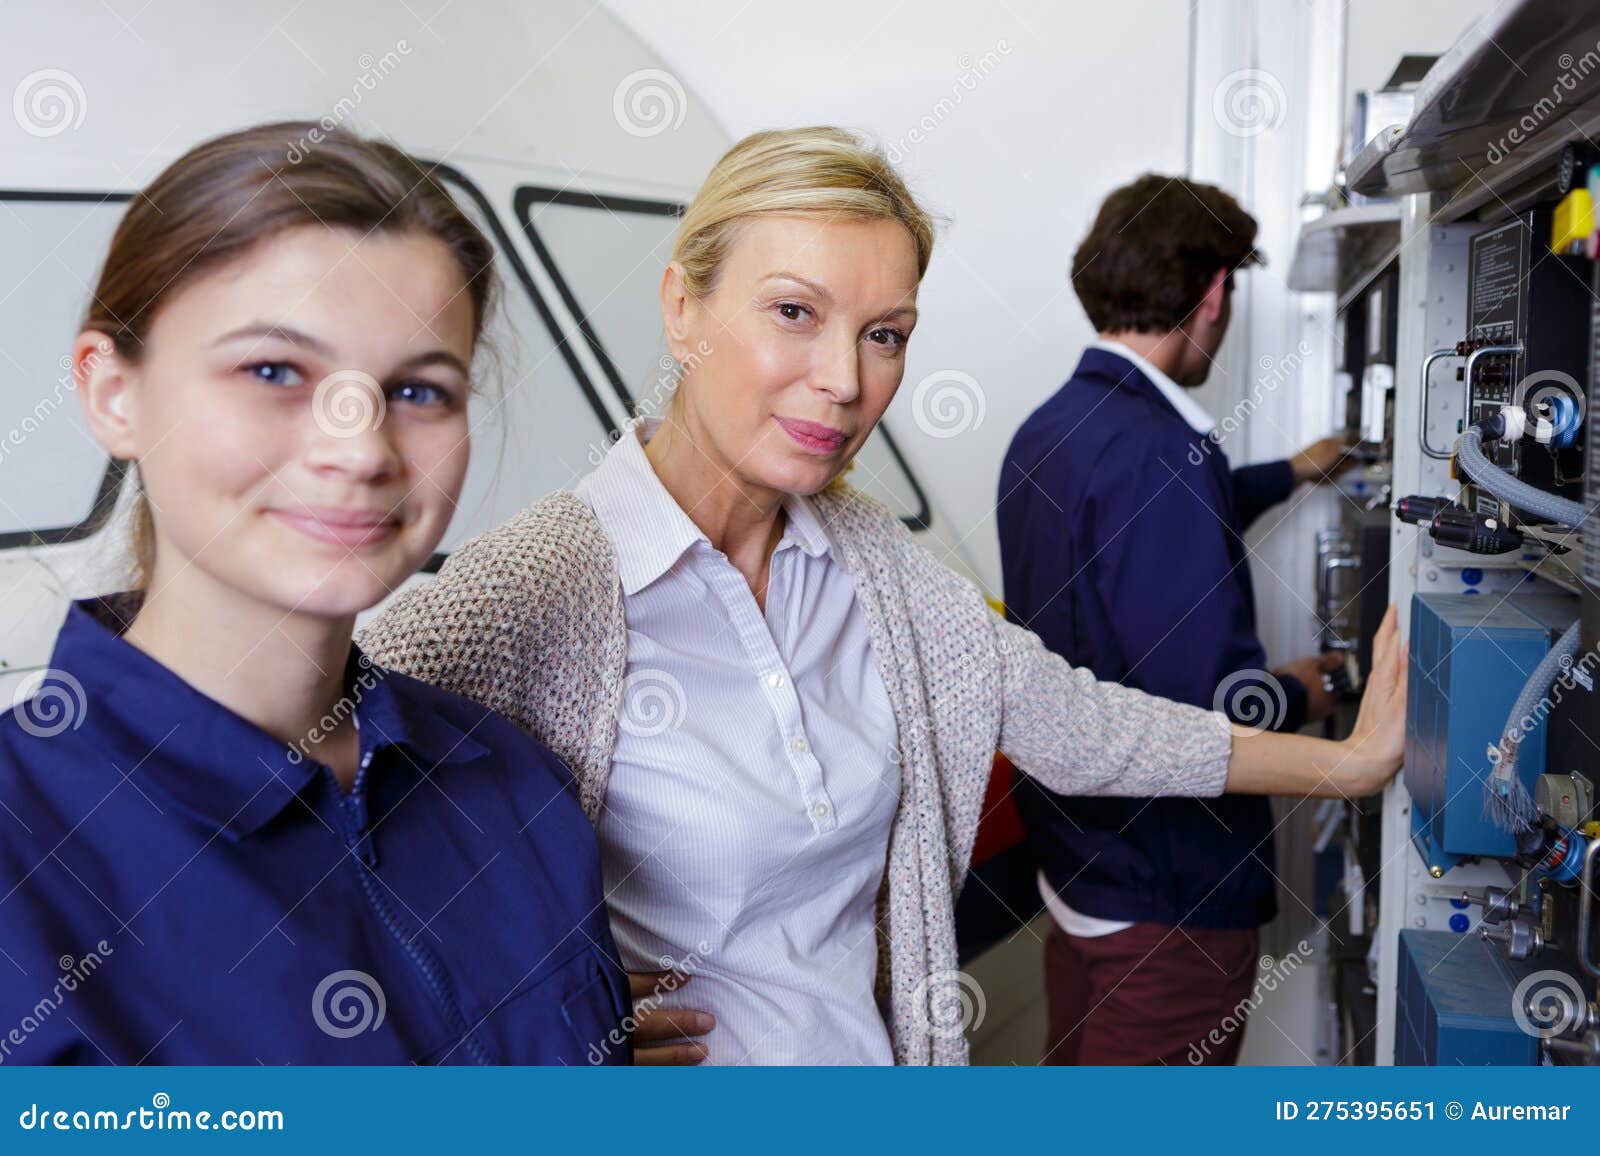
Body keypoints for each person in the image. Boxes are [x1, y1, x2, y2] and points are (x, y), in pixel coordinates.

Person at [357, 127, 1407, 1066]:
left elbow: (1083, 724)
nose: (845, 381)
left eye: (884, 333)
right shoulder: (527, 592)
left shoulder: (870, 561)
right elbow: (272, 846)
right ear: (683, 308)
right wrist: (516, 1028)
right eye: (793, 313)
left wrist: (1351, 764)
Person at [0, 123, 628, 1065]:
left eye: (419, 392)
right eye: (274, 372)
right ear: (112, 394)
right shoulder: (23, 847)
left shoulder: (514, 786)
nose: (362, 450)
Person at [996, 173, 1358, 1066]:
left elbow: (1126, 539)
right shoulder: (1163, 454)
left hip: (1084, 867)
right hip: (1169, 906)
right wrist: (1328, 686)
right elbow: (1219, 715)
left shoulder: (1054, 430)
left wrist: (1289, 472)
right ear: (1216, 292)